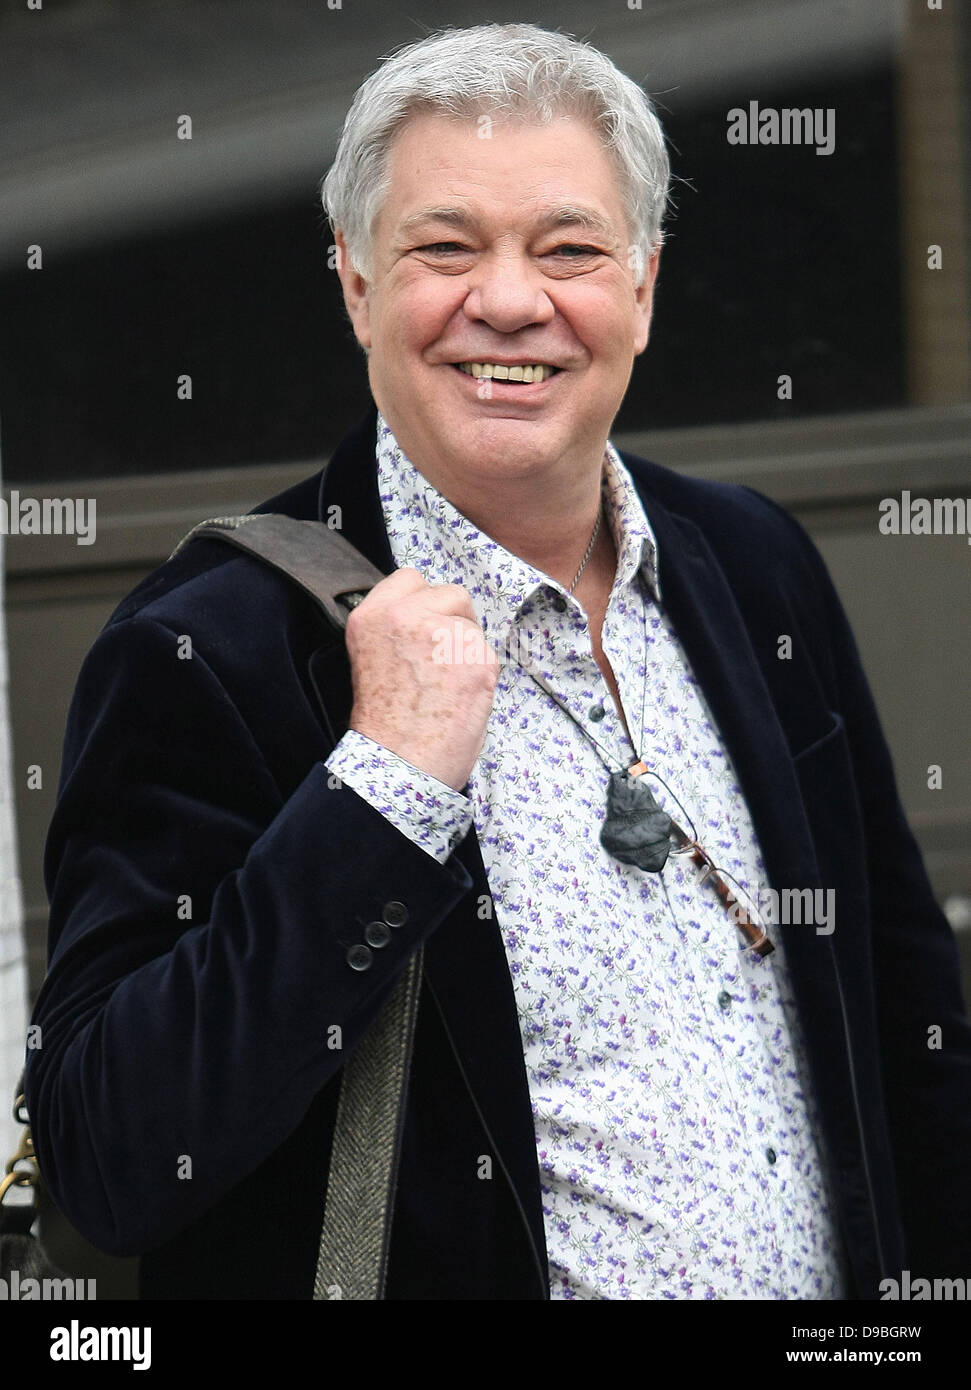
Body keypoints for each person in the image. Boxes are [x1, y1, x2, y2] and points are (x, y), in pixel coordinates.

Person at [25, 23, 971, 1301]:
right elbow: (112, 1158)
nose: (512, 300)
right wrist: (384, 788)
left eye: (569, 248)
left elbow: (910, 1034)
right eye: (444, 247)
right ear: (356, 283)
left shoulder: (753, 566)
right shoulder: (208, 649)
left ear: (641, 283)